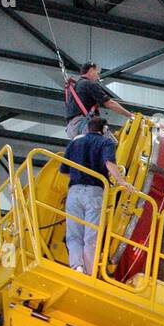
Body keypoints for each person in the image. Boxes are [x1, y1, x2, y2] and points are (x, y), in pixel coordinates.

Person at [60, 115, 132, 274]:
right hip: (94, 192)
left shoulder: (75, 142)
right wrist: (122, 181)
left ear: (87, 128)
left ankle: (77, 266)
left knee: (73, 235)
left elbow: (64, 170)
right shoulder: (106, 142)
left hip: (74, 192)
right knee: (91, 236)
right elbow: (109, 163)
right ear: (104, 130)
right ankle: (89, 274)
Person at [64, 63, 132, 139]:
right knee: (111, 145)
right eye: (97, 73)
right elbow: (109, 103)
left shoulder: (75, 88)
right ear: (91, 70)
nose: (98, 77)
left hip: (72, 129)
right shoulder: (89, 84)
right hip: (86, 126)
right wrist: (130, 115)